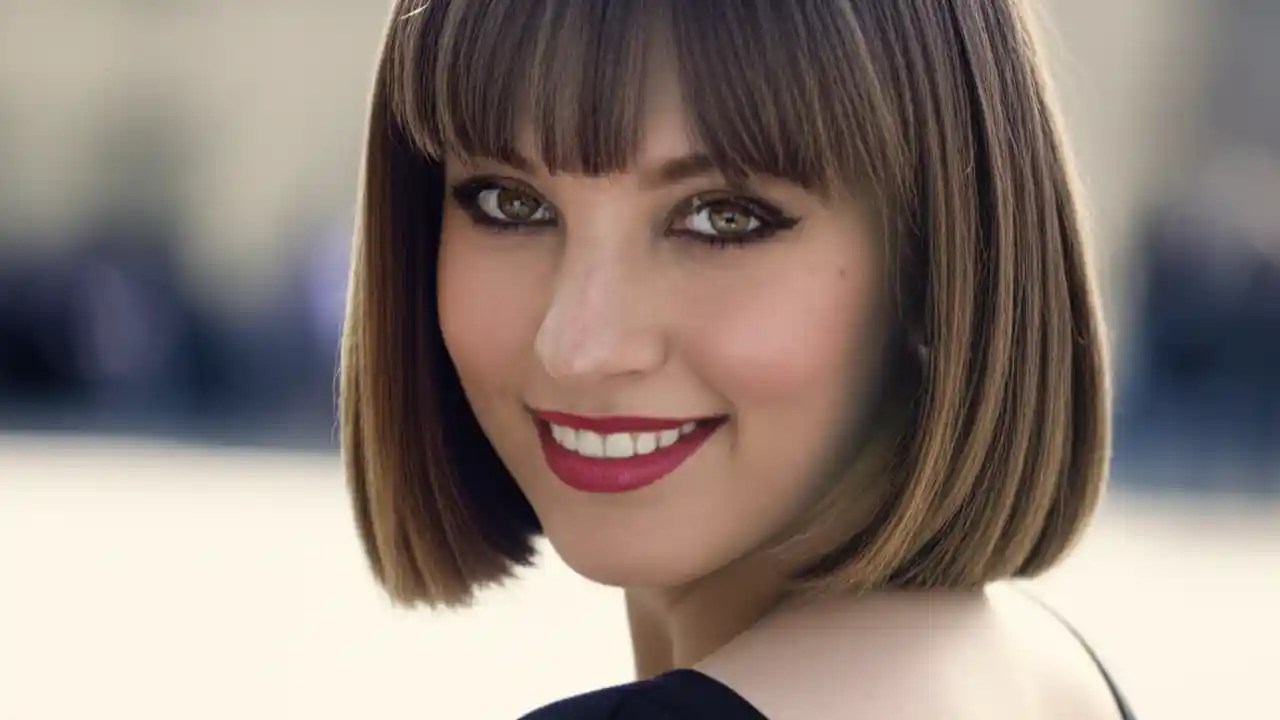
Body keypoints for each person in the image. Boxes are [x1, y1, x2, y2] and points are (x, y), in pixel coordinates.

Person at [339, 1, 1136, 717]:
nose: (578, 348)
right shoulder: (1045, 672)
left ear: (943, 257)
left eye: (722, 218)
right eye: (512, 204)